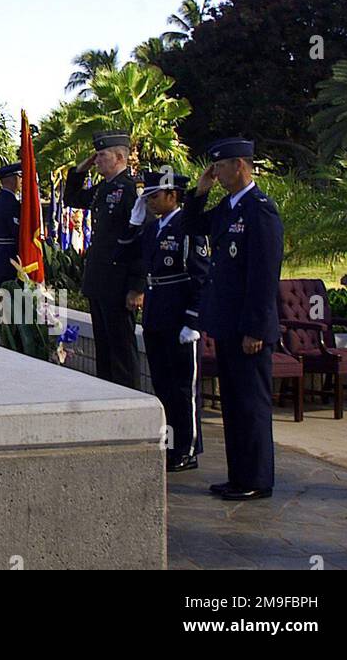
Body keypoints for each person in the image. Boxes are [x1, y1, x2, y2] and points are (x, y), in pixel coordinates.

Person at [182, 138, 284, 501]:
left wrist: (255, 328)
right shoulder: (228, 207)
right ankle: (239, 476)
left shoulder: (260, 210)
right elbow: (192, 226)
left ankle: (257, 478)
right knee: (234, 406)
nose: (217, 172)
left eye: (221, 166)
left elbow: (263, 276)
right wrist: (200, 190)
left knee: (251, 405)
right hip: (227, 323)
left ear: (240, 165)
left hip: (248, 328)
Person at [128, 170, 208, 471]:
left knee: (183, 389)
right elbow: (129, 254)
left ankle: (187, 449)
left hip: (179, 317)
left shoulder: (187, 228)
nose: (149, 202)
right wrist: (134, 224)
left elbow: (201, 276)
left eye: (155, 196)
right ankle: (172, 445)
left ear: (173, 196)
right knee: (162, 385)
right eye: (147, 197)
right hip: (157, 314)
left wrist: (193, 320)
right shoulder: (153, 228)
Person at [64, 132, 142, 387]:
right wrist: (79, 170)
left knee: (121, 349)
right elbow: (72, 199)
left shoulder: (130, 190)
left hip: (118, 282)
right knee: (105, 348)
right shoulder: (103, 188)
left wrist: (137, 286)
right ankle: (108, 391)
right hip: (99, 279)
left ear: (120, 157)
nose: (96, 160)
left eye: (101, 155)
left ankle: (129, 398)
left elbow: (139, 239)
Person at [0, 161, 22, 286]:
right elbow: (16, 232)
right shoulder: (10, 203)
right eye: (19, 177)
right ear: (12, 179)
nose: (20, 181)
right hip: (9, 258)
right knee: (8, 300)